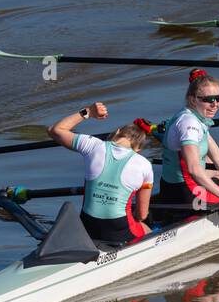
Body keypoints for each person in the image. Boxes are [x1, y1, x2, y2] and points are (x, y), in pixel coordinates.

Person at [47, 102, 154, 244]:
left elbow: (55, 130)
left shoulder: (92, 145)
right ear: (138, 149)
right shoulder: (144, 165)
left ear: (116, 132)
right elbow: (141, 214)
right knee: (147, 230)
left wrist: (89, 112)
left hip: (88, 226)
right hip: (120, 229)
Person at [155, 69, 219, 215]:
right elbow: (194, 169)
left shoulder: (190, 116)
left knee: (217, 166)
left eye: (218, 98)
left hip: (172, 188)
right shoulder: (190, 125)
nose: (215, 104)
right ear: (193, 99)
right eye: (208, 99)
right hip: (189, 194)